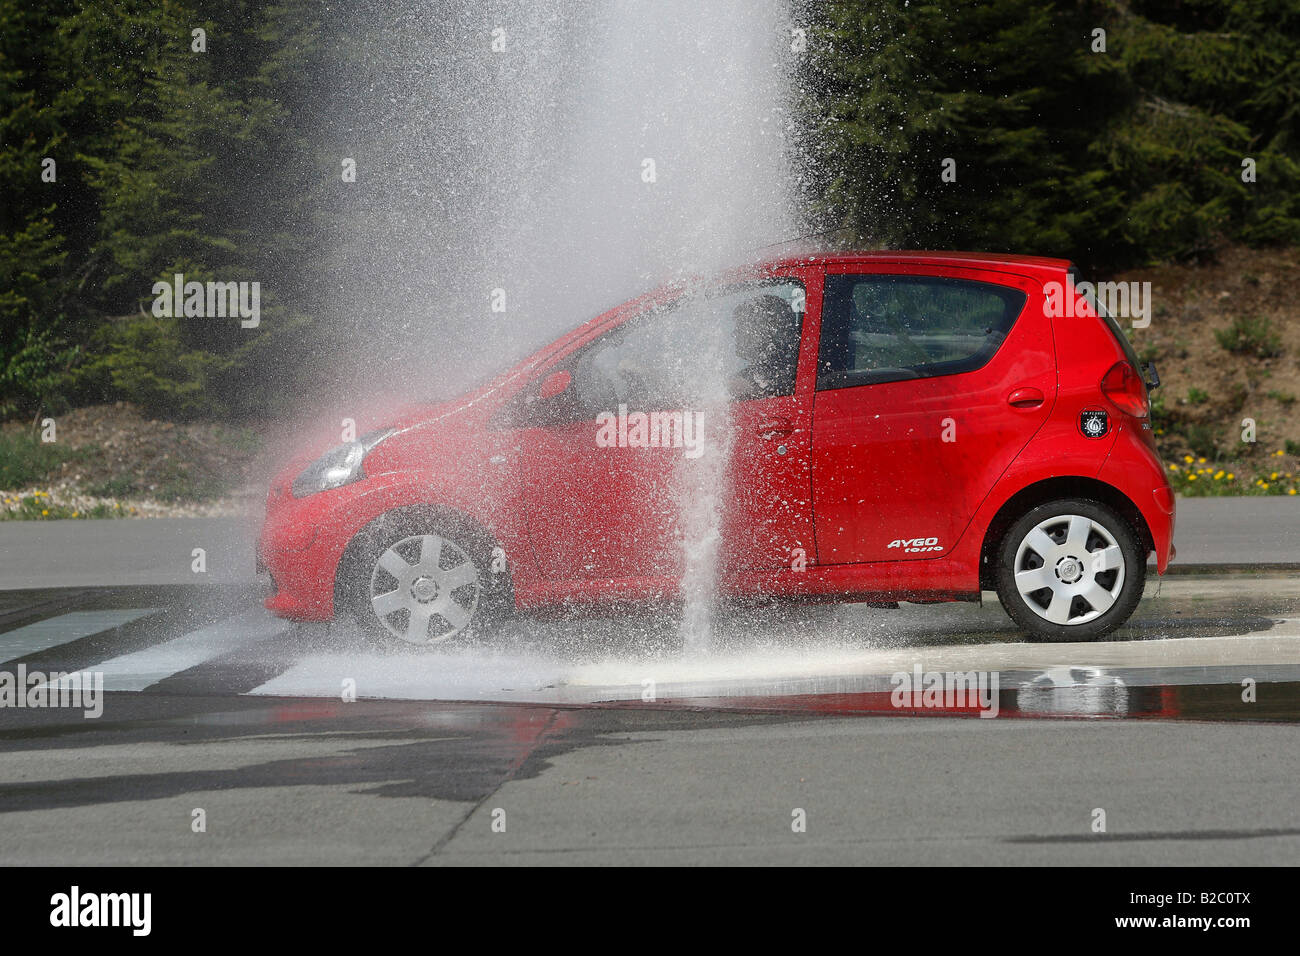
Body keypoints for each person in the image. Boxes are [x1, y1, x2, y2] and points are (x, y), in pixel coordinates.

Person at [730, 293, 799, 400]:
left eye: (741, 327)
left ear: (764, 332)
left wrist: (750, 391)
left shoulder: (793, 377)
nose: (734, 333)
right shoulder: (746, 377)